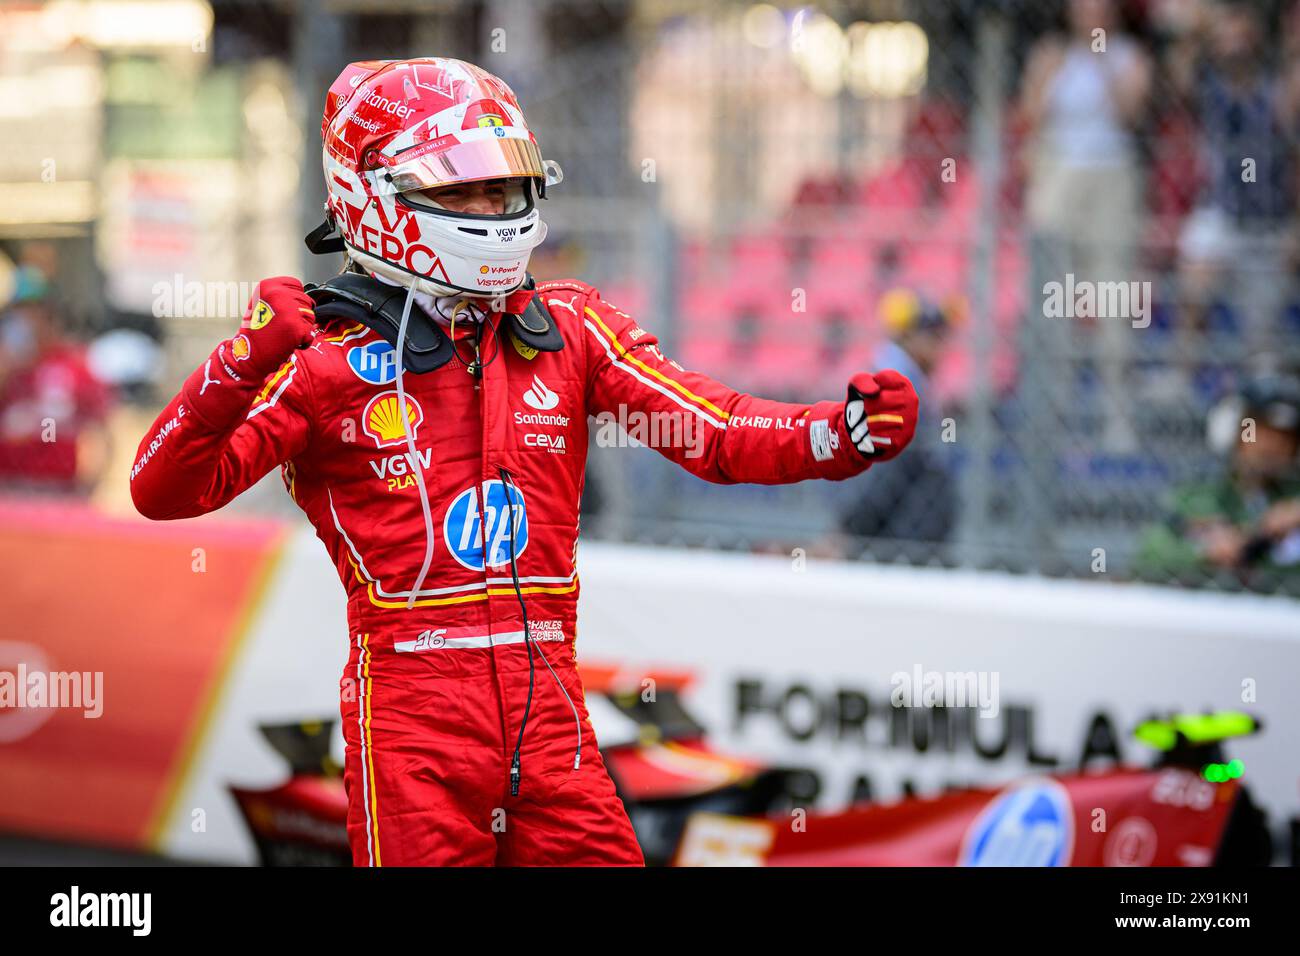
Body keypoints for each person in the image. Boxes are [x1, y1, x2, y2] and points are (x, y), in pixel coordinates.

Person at [129, 58, 919, 867]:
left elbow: (714, 432)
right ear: (372, 194)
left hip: (553, 715)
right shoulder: (319, 361)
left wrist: (839, 434)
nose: (487, 210)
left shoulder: (570, 328)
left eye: (500, 188)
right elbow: (164, 492)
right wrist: (232, 366)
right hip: (409, 725)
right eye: (457, 190)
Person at [1134, 373, 1300, 587]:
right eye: (1258, 432)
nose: (1269, 447)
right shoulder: (1198, 495)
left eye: (1284, 440)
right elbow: (1149, 554)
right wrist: (1204, 552)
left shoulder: (1293, 499)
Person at [839, 288, 958, 548]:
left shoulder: (900, 376)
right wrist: (852, 528)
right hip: (892, 527)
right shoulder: (896, 383)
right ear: (908, 336)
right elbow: (884, 471)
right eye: (933, 336)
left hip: (890, 524)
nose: (941, 347)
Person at [0, 266, 112, 494]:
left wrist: (89, 488)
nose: (24, 322)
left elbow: (103, 432)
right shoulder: (10, 365)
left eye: (32, 313)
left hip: (57, 491)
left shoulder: (75, 366)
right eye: (18, 314)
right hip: (7, 487)